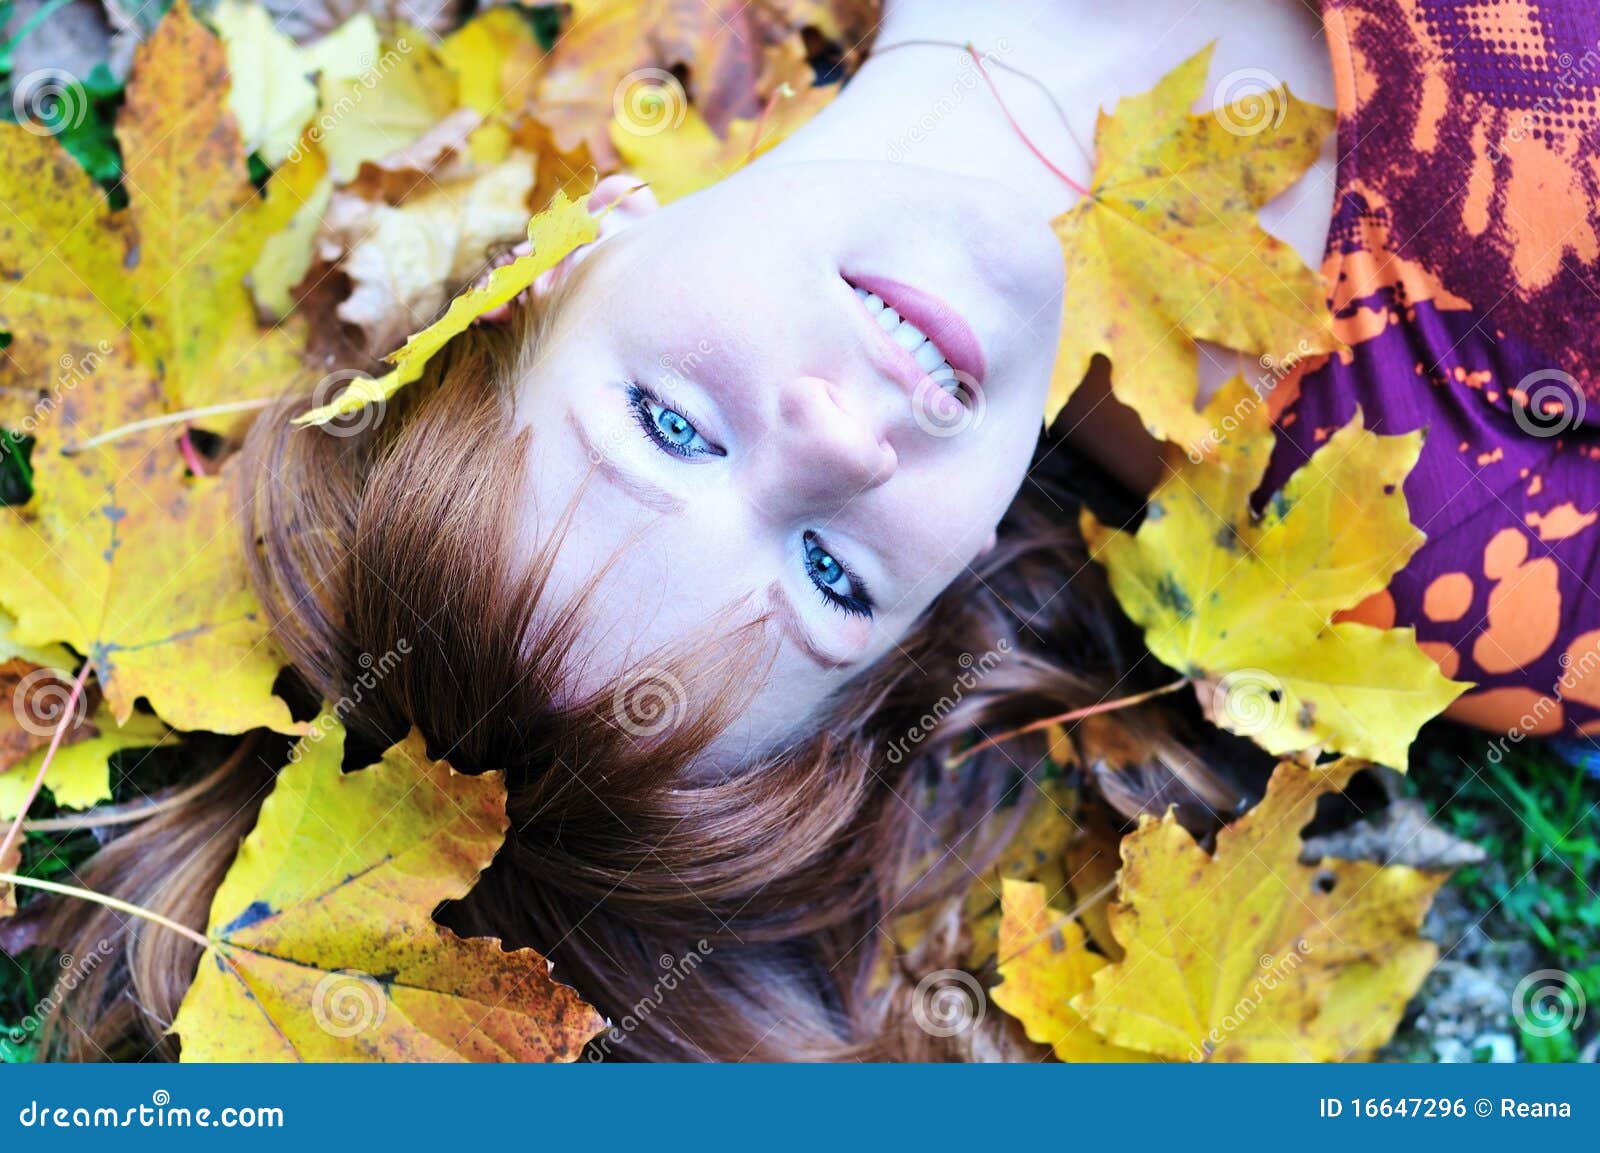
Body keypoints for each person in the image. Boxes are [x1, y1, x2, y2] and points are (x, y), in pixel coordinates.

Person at [43, 0, 1600, 1060]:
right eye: (832, 577)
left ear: (566, 260)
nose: (844, 439)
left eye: (670, 427)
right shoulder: (1450, 522)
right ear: (934, 610)